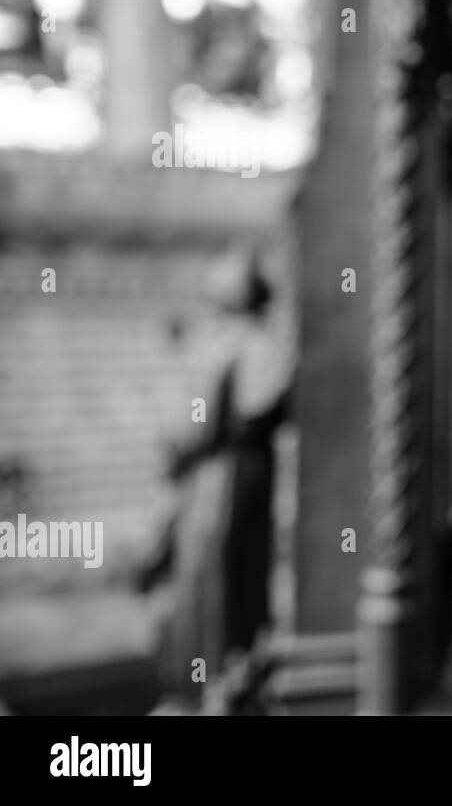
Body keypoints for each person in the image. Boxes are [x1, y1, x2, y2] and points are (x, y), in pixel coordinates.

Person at [150, 248, 293, 709]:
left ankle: (217, 682)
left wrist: (176, 452)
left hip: (221, 480)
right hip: (247, 472)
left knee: (216, 578)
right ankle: (233, 673)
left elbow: (195, 426)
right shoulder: (267, 342)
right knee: (236, 576)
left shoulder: (230, 347)